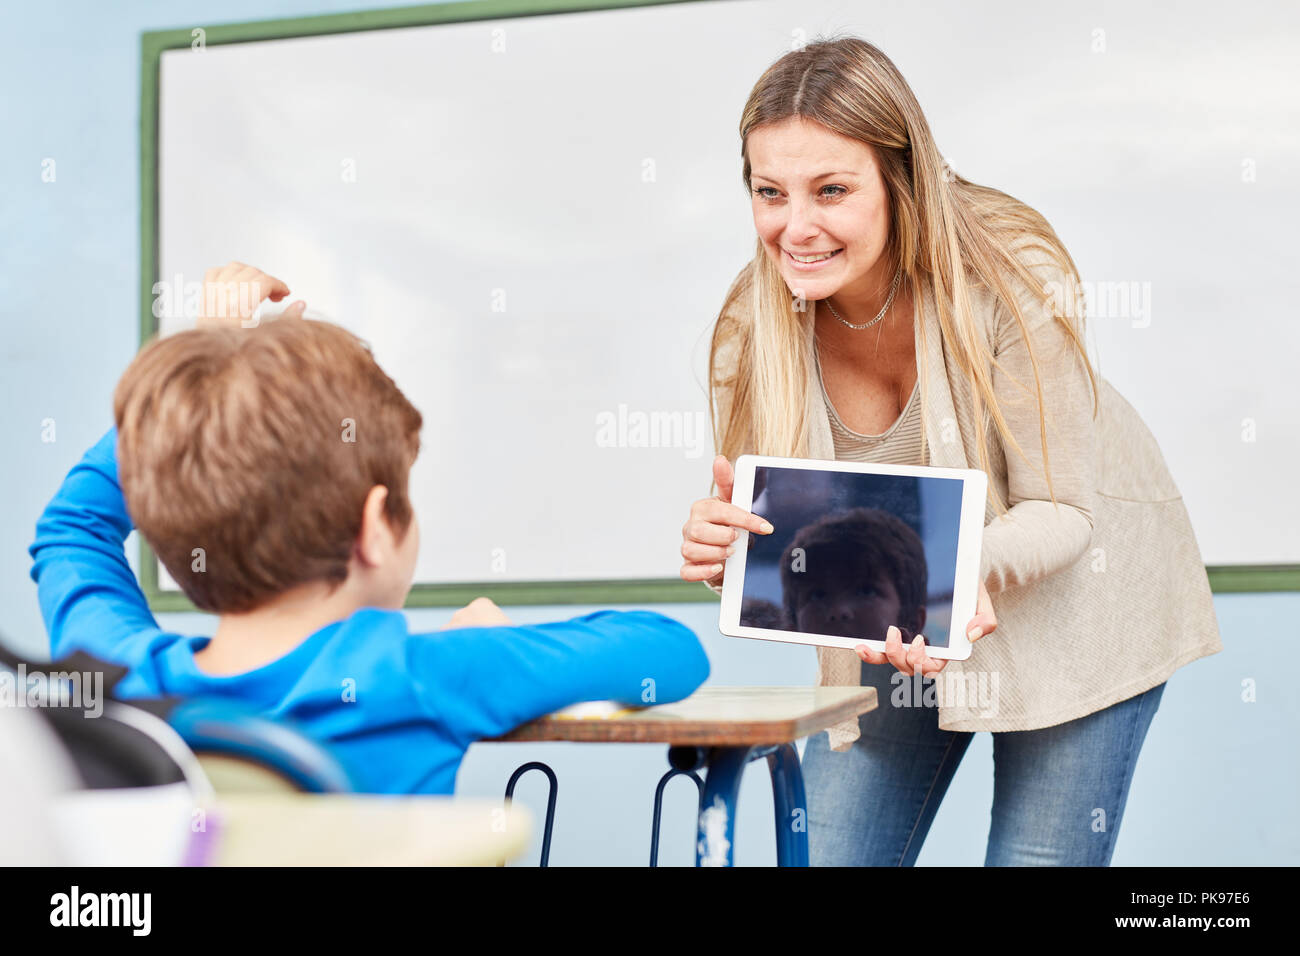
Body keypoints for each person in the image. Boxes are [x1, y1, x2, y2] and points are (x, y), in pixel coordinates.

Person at [677, 37, 1221, 865]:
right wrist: (733, 553)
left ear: (899, 180)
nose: (797, 228)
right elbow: (789, 535)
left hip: (1077, 605)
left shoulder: (1008, 278)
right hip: (898, 613)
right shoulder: (753, 330)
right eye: (769, 193)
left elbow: (1062, 510)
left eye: (832, 190)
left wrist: (947, 568)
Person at [30, 264, 710, 794]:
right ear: (375, 529)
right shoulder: (425, 674)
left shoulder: (121, 676)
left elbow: (72, 530)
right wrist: (496, 644)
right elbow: (673, 652)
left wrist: (193, 384)